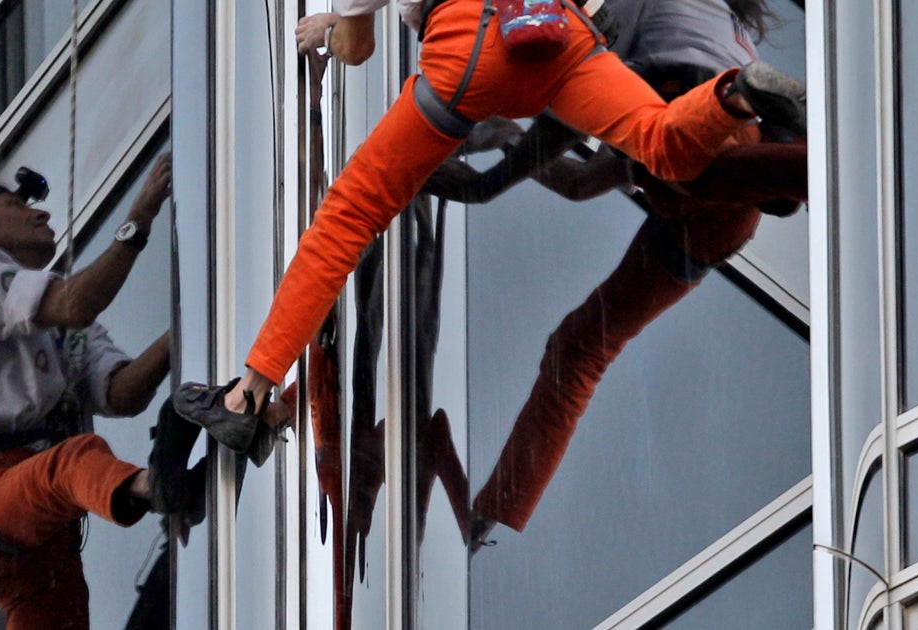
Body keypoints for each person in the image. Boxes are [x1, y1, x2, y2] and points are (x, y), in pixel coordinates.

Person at [173, 0, 805, 462]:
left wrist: (333, 26)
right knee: (662, 143)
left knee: (349, 217)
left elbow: (357, 49)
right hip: (558, 40)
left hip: (467, 53)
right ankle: (735, 95)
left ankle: (249, 393)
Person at [416, 0, 807, 551]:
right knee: (579, 347)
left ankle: (777, 136)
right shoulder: (712, 27)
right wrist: (505, 137)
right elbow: (581, 182)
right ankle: (491, 515)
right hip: (716, 204)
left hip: (696, 120)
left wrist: (486, 183)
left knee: (685, 163)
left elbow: (561, 122)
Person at [0, 155, 179, 627]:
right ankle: (152, 485)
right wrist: (139, 217)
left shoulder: (66, 328)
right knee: (71, 461)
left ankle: (146, 486)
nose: (41, 213)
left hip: (44, 532)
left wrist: (182, 329)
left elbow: (122, 394)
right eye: (15, 204)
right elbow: (76, 302)